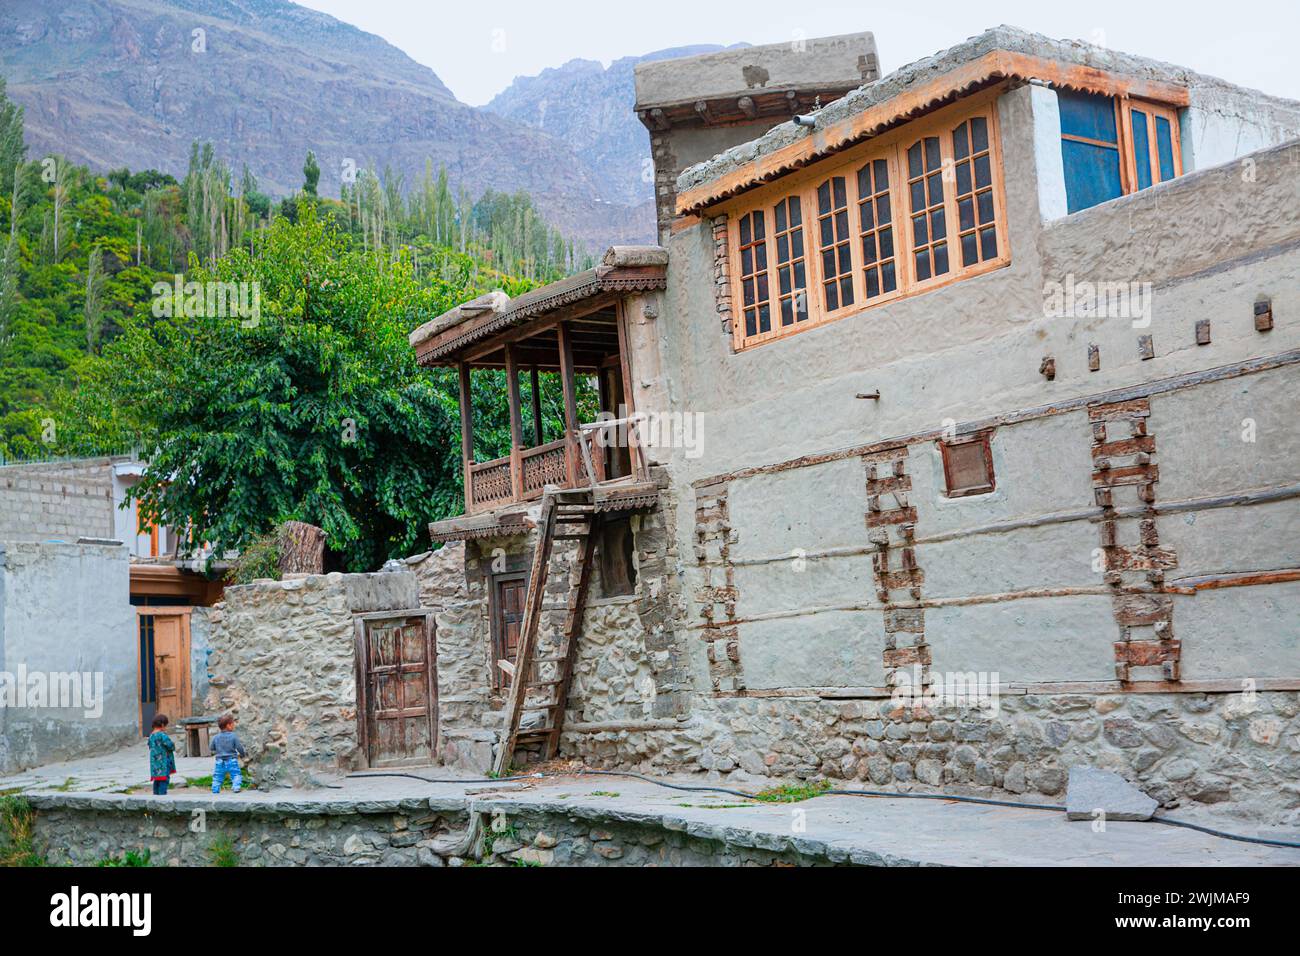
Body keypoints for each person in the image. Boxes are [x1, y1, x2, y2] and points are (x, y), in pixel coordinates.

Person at [210, 714, 247, 794]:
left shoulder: (216, 737)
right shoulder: (233, 736)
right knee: (236, 774)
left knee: (218, 777)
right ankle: (236, 787)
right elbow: (239, 747)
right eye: (233, 724)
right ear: (228, 725)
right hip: (231, 760)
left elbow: (211, 748)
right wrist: (243, 754)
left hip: (219, 761)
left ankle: (215, 789)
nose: (234, 726)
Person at [147, 714, 176, 795]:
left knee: (157, 780)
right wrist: (173, 745)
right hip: (163, 762)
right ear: (162, 725)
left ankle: (156, 796)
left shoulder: (151, 736)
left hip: (155, 763)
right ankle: (162, 797)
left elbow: (150, 746)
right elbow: (170, 746)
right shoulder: (162, 735)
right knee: (164, 780)